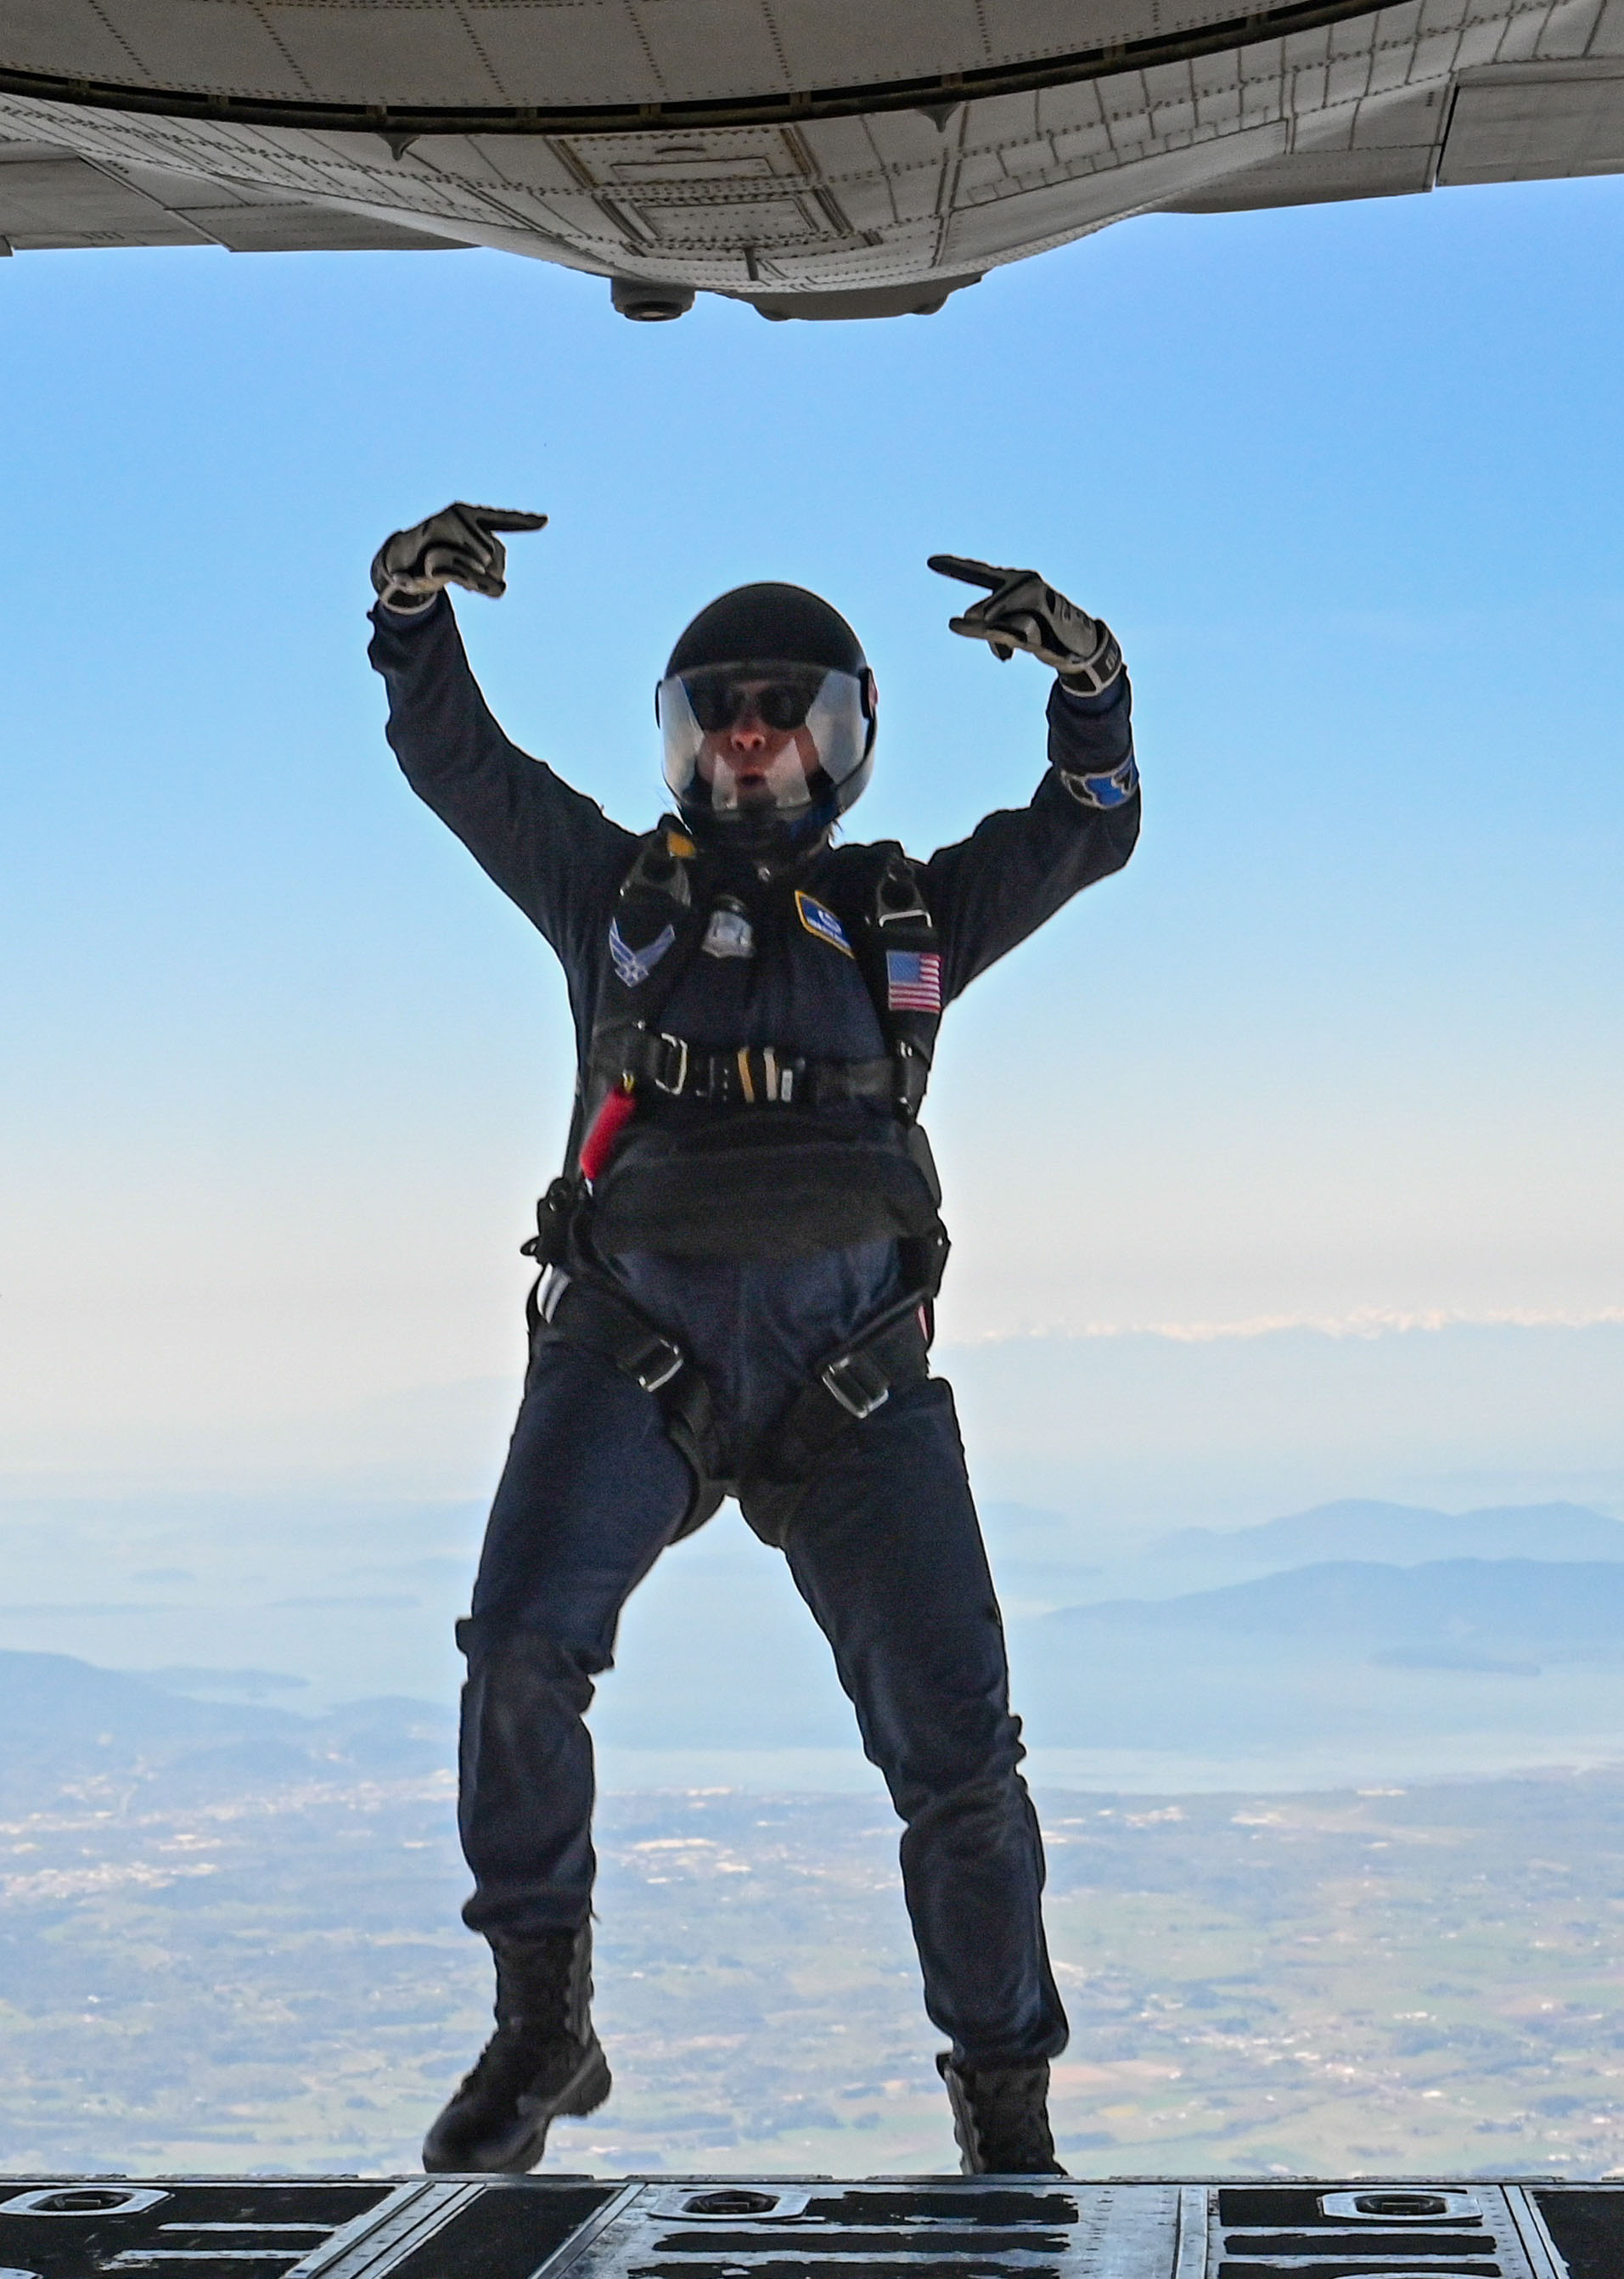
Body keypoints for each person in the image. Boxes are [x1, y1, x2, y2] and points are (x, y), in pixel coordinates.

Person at [368, 501, 1142, 2178]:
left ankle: (1006, 2108)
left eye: (779, 710)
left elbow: (1087, 826)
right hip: (633, 1351)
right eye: (720, 712)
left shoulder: (904, 913)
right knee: (517, 1650)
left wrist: (1090, 685)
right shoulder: (611, 893)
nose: (747, 740)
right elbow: (461, 768)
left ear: (841, 733)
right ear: (679, 738)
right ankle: (543, 2024)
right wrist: (410, 618)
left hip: (851, 1381)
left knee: (959, 1753)